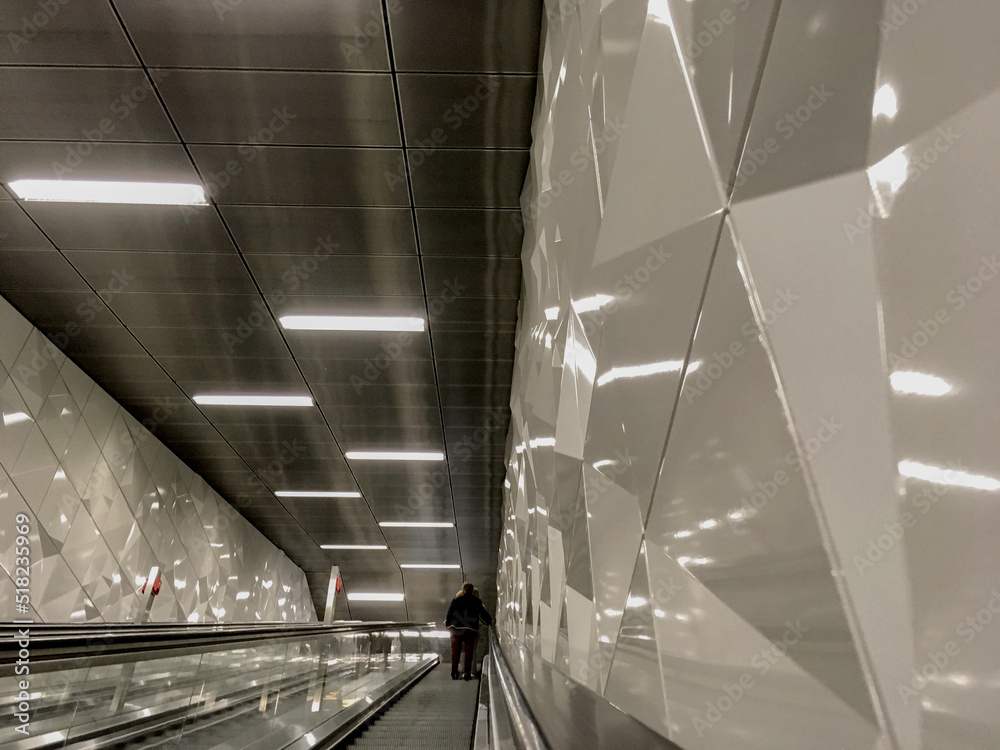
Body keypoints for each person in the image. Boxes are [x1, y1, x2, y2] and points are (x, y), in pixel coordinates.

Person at [445, 582, 492, 680]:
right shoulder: (477, 601)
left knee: (455, 652)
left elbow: (449, 613)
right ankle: (467, 673)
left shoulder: (456, 600)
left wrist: (448, 625)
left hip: (456, 630)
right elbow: (483, 614)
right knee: (469, 651)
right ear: (472, 590)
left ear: (463, 590)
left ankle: (454, 673)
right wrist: (490, 621)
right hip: (471, 630)